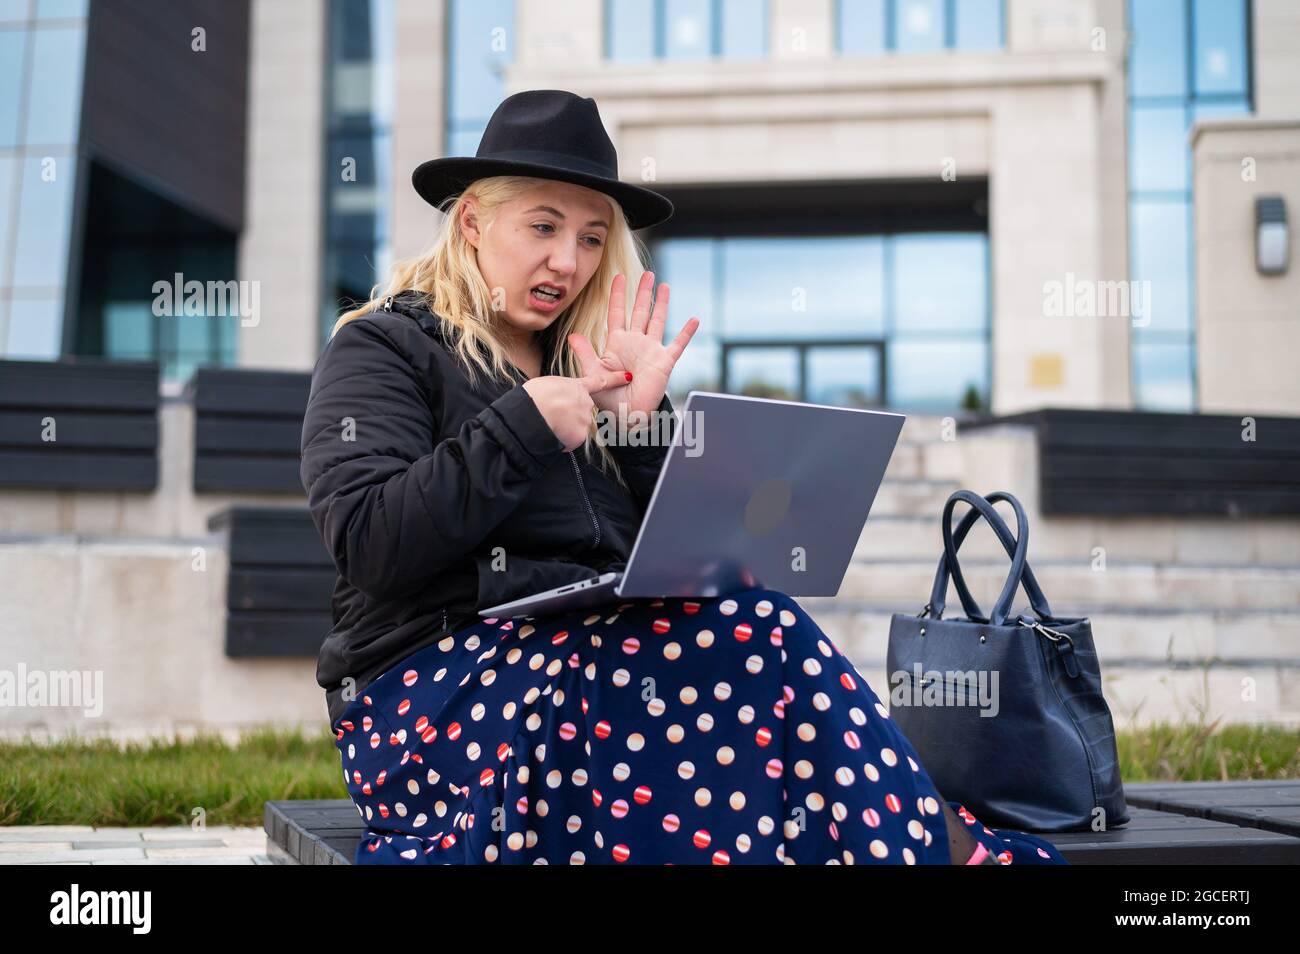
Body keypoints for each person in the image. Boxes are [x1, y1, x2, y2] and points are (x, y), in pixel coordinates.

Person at [299, 89, 1066, 865]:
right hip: (432, 695)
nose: (568, 261)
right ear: (471, 221)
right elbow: (369, 542)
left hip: (605, 667)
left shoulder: (591, 367)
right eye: (543, 227)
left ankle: (932, 847)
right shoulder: (385, 348)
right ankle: (952, 851)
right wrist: (519, 429)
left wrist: (645, 431)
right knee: (742, 655)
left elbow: (695, 561)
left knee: (756, 626)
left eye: (593, 238)